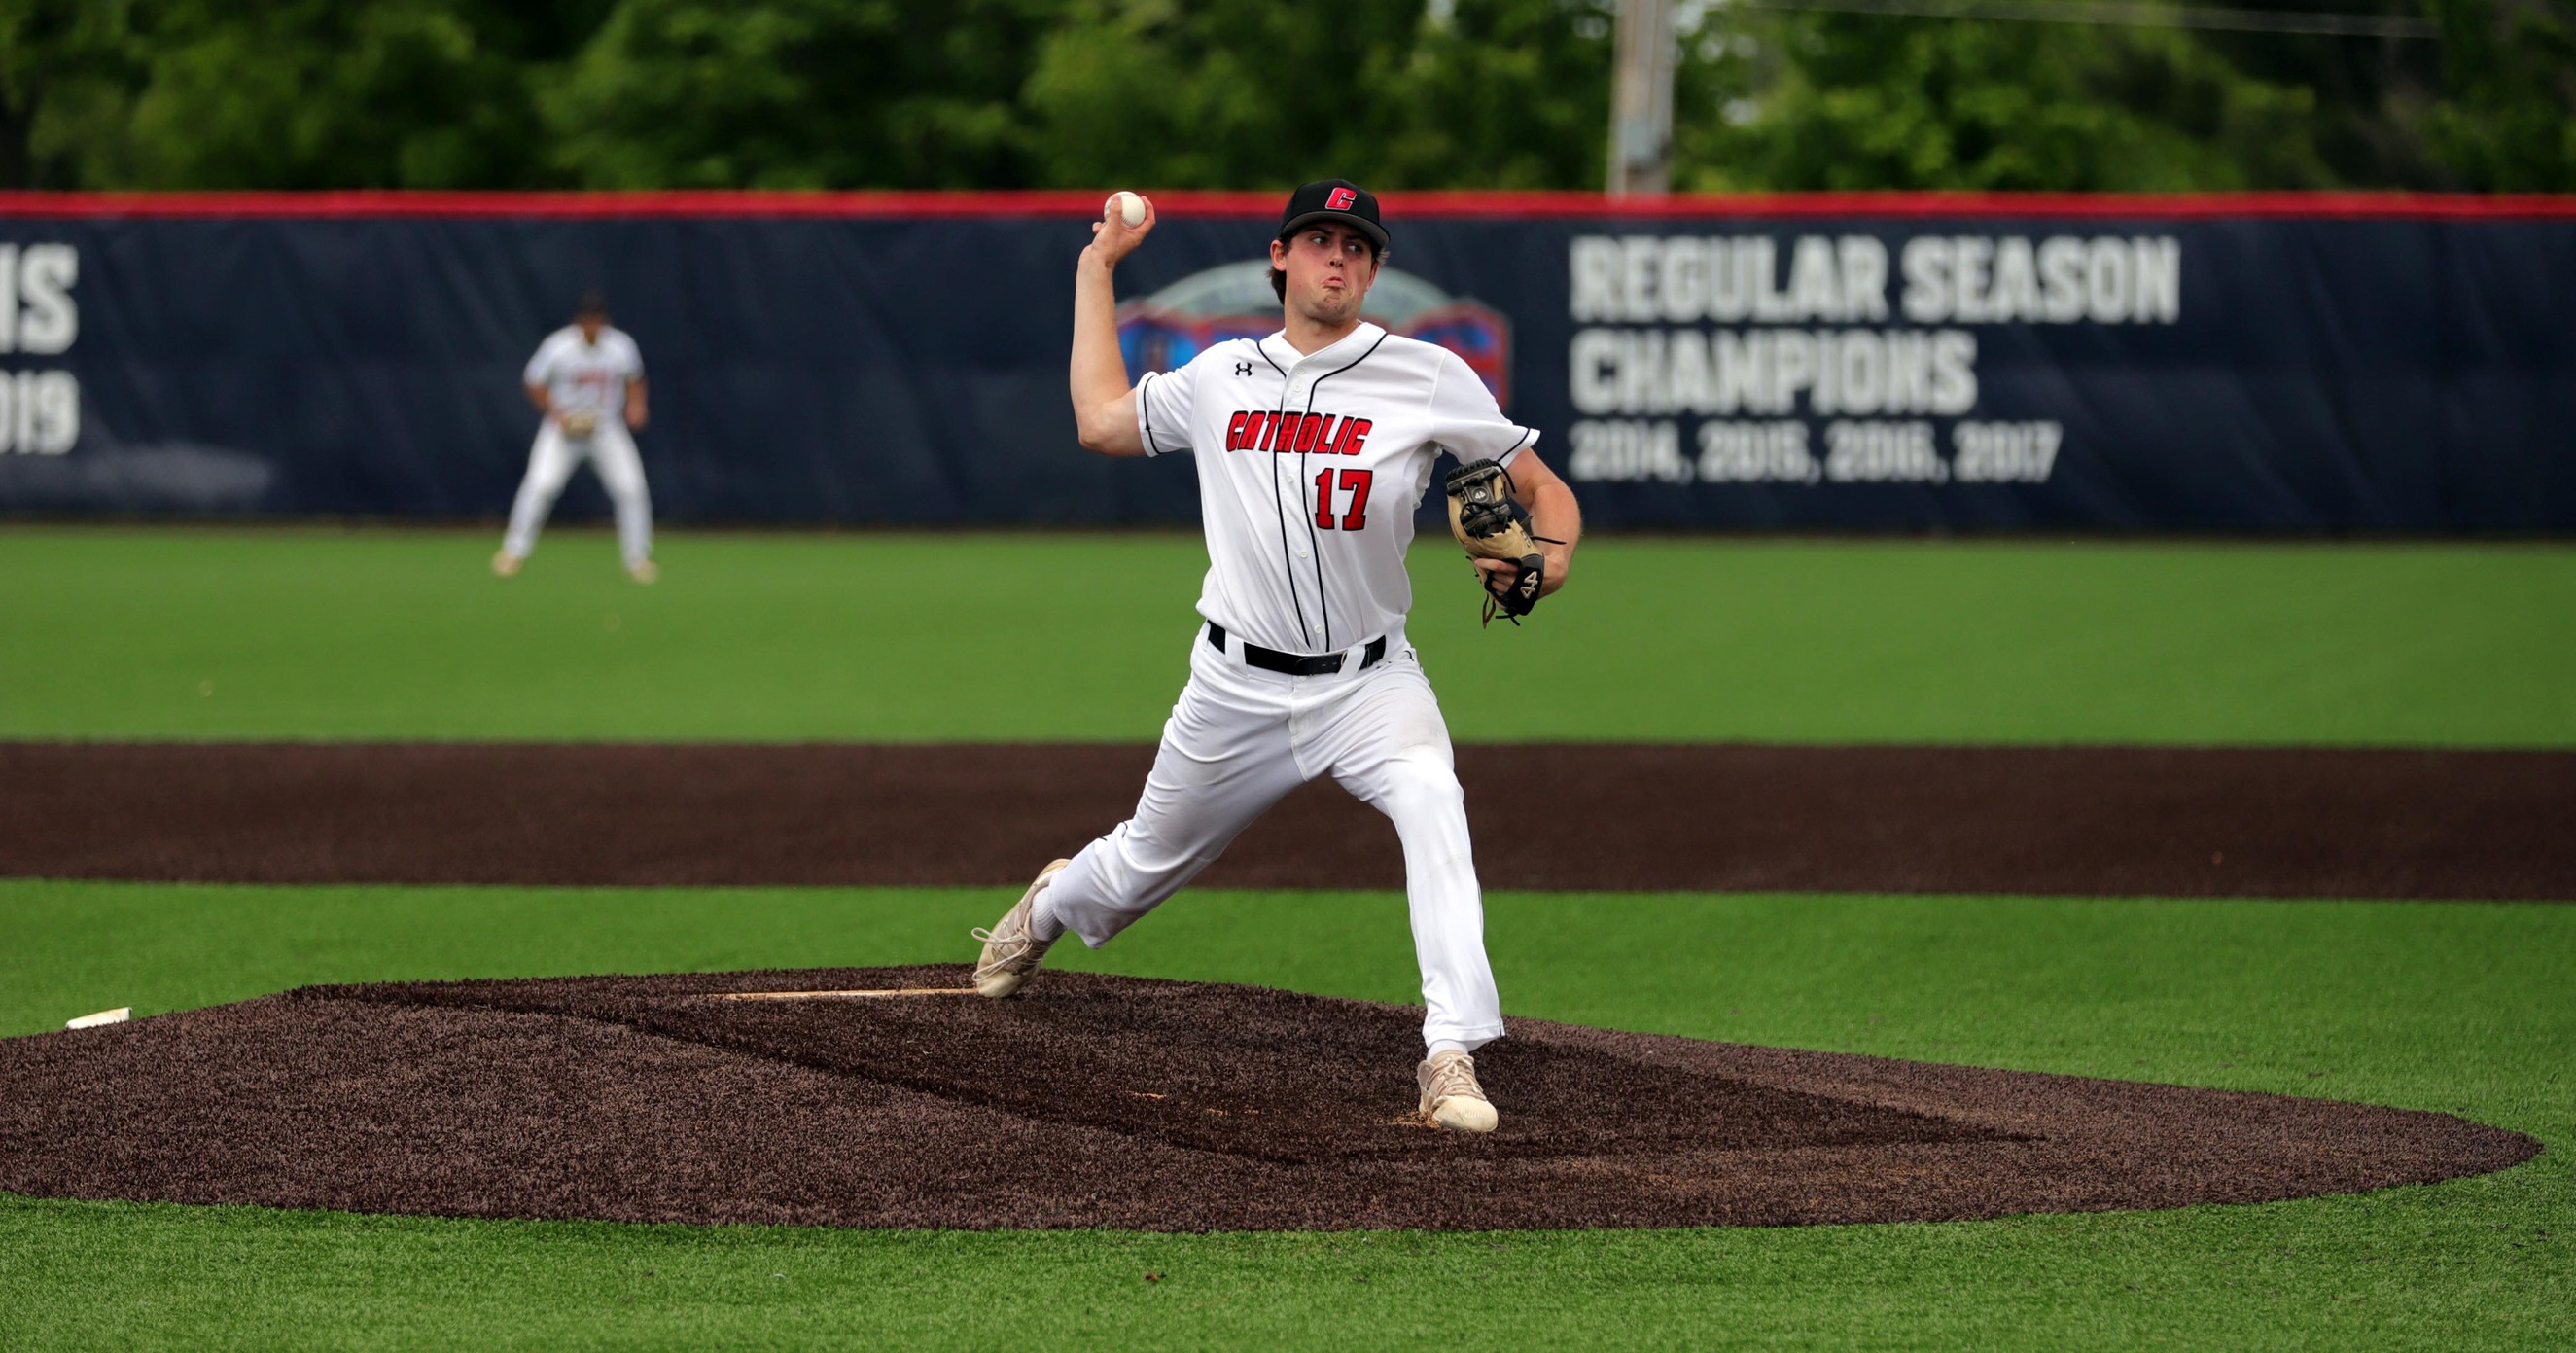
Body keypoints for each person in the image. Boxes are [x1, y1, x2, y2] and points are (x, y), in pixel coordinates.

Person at [970, 180, 1582, 1133]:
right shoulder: (1219, 377)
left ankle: (1451, 1053)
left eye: (1357, 246)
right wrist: (1096, 268)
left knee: (1433, 799)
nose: (1337, 257)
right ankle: (1051, 903)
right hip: (1234, 685)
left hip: (1372, 681)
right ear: (1281, 257)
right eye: (1320, 239)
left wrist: (1546, 565)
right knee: (1136, 869)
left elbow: (1542, 490)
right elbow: (1098, 420)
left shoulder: (1426, 375)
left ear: (1374, 270)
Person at [493, 291, 656, 583]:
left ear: (604, 321)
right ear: (579, 321)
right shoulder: (559, 346)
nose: (592, 325)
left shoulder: (621, 346)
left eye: (597, 320)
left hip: (605, 428)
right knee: (541, 485)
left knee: (631, 488)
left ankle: (637, 559)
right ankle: (513, 552)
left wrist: (636, 405)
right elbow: (533, 382)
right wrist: (555, 412)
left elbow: (635, 377)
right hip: (564, 428)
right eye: (587, 319)